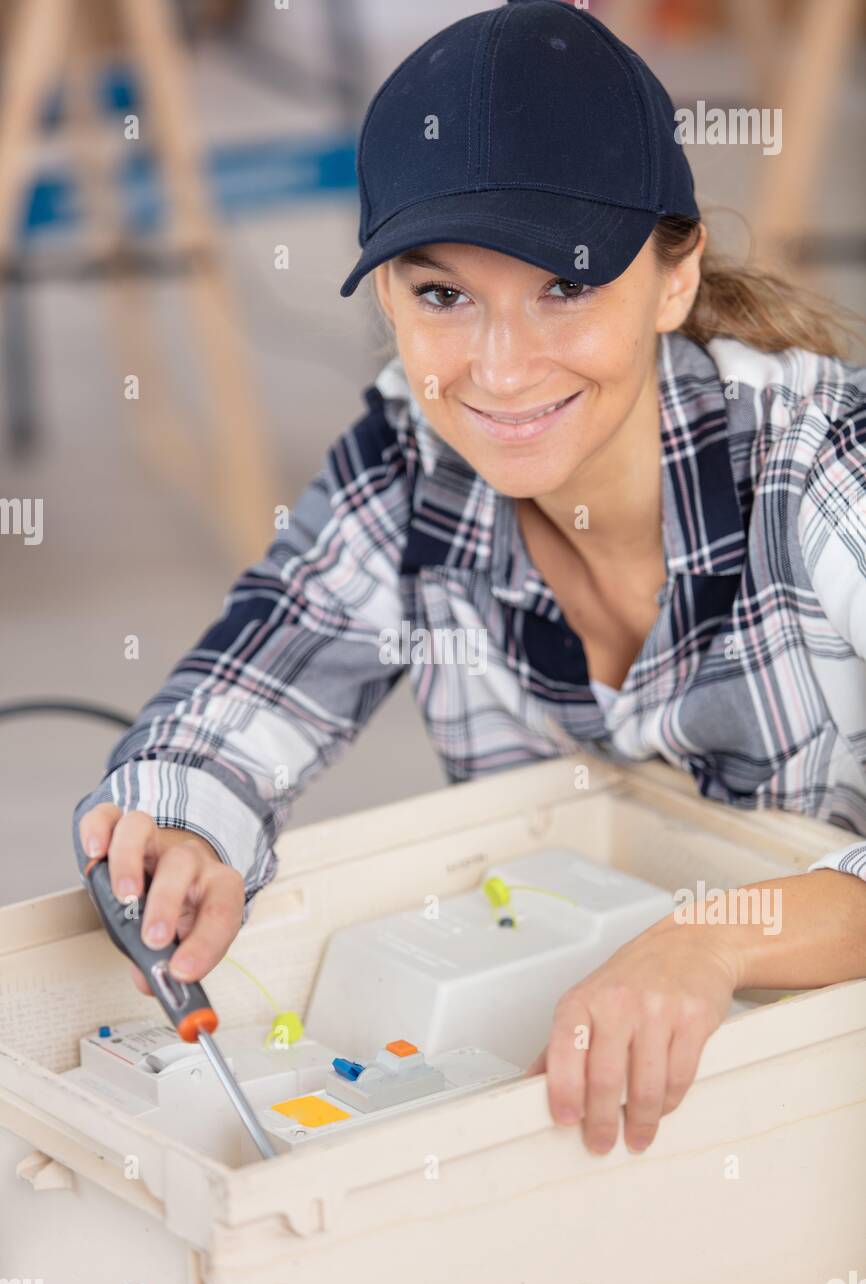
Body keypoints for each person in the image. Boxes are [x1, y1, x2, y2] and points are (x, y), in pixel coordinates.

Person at [72, 0, 866, 1156]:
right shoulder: (408, 464)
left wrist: (714, 937)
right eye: (442, 294)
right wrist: (181, 829)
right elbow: (231, 713)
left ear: (673, 276)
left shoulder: (825, 465)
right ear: (386, 299)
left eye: (564, 286)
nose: (497, 369)